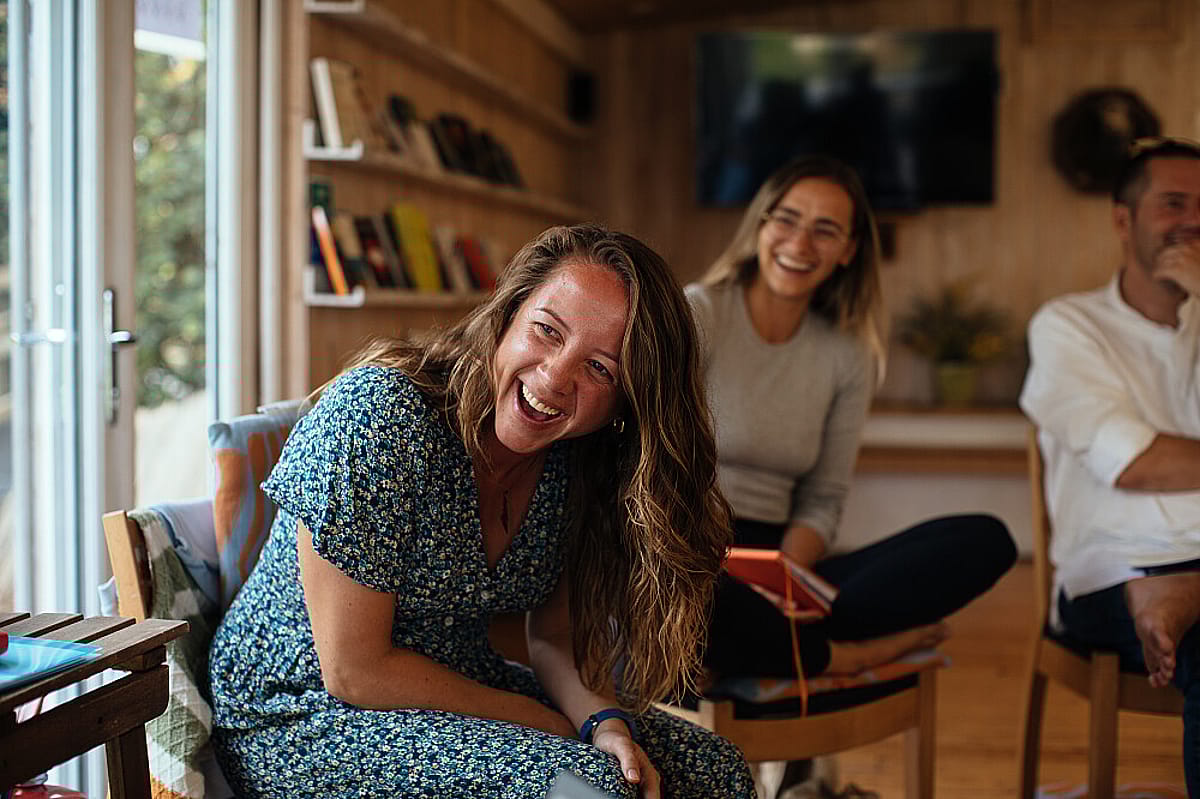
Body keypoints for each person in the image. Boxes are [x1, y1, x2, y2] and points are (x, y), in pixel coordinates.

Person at [207, 225, 757, 799]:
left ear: (628, 401)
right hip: (300, 712)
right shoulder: (377, 416)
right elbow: (353, 670)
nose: (554, 376)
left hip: (451, 690)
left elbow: (554, 640)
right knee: (587, 787)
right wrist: (533, 718)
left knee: (715, 770)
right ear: (508, 314)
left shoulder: (577, 461)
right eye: (547, 330)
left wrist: (603, 724)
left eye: (600, 368)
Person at [687, 155, 1017, 797]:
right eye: (787, 220)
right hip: (689, 550)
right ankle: (847, 654)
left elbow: (824, 496)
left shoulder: (847, 354)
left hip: (784, 562)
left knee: (984, 539)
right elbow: (648, 460)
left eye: (825, 230)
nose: (800, 243)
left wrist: (787, 580)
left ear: (849, 250)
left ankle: (760, 640)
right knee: (687, 592)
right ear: (760, 227)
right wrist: (727, 572)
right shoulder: (699, 313)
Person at [1019, 136, 1200, 795]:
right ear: (1123, 218)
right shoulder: (1069, 327)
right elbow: (1139, 464)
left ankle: (1189, 593)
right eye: (1174, 202)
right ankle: (1176, 592)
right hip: (1115, 573)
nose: (1194, 219)